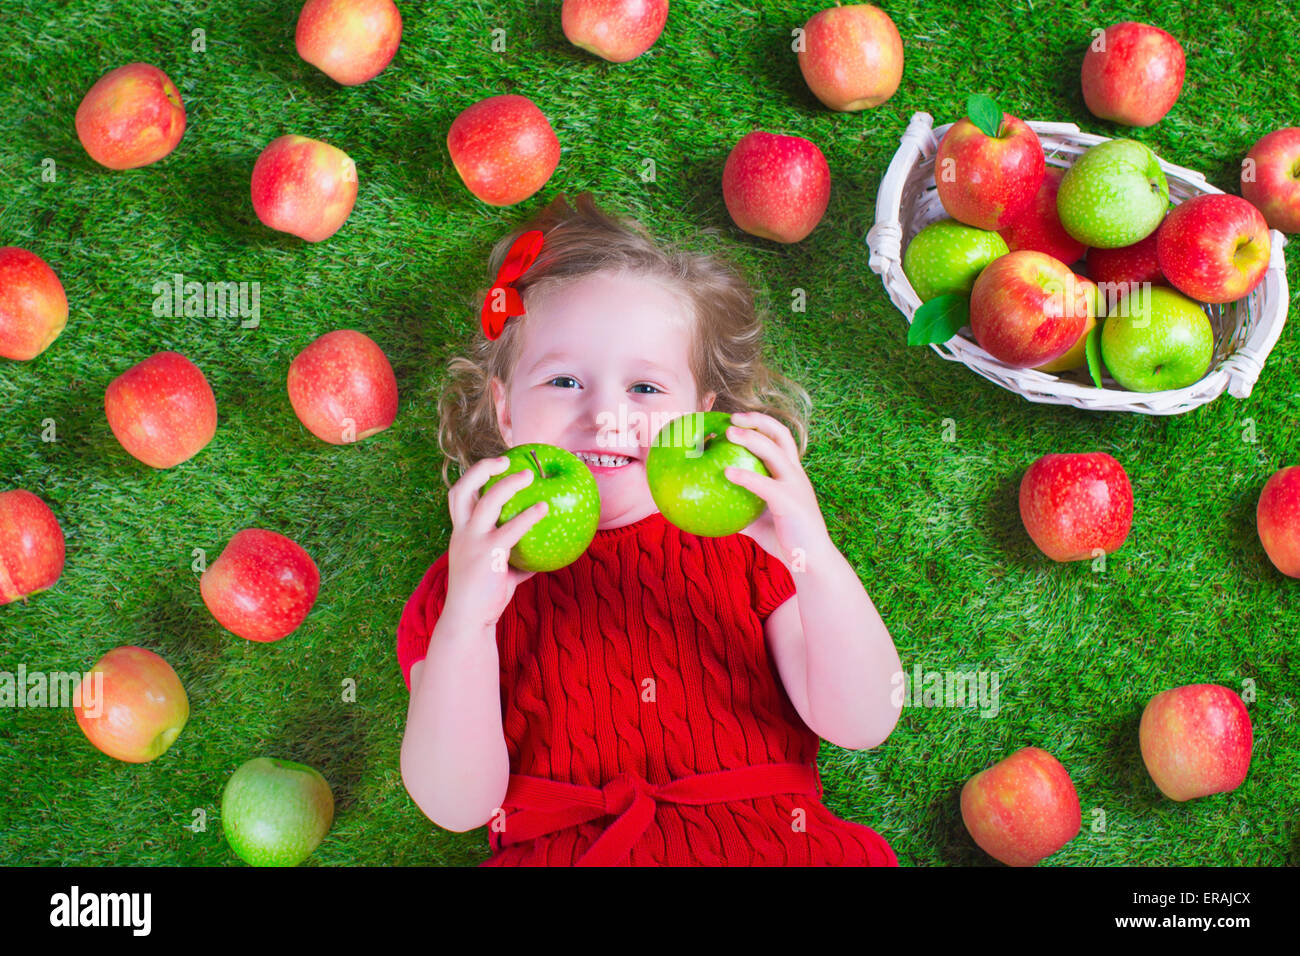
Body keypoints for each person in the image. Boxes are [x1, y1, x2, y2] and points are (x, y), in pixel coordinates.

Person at [397, 191, 902, 865]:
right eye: (565, 382)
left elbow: (863, 721)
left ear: (703, 414)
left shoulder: (756, 553)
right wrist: (468, 619)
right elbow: (455, 805)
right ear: (505, 411)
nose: (607, 414)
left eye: (646, 390)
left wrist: (811, 553)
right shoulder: (463, 583)